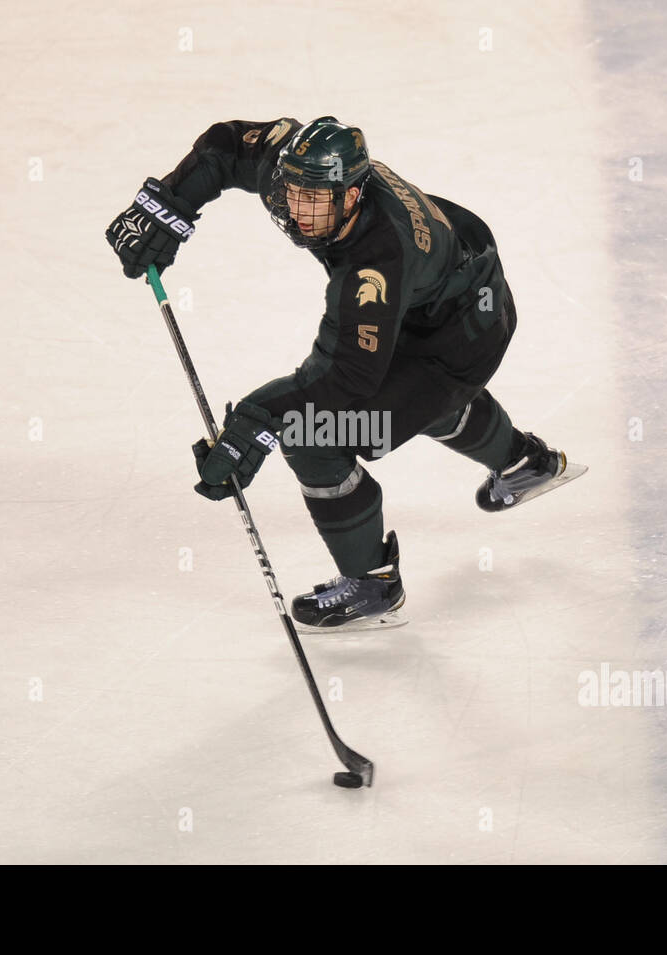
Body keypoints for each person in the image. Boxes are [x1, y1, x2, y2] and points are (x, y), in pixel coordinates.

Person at [106, 117, 576, 631]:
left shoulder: (375, 263)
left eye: (315, 201)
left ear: (353, 195)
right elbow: (225, 147)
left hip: (461, 337)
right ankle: (525, 463)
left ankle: (373, 582)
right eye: (292, 193)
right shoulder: (302, 171)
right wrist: (168, 207)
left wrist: (258, 420)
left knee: (314, 433)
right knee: (412, 404)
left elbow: (344, 378)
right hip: (444, 289)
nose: (297, 212)